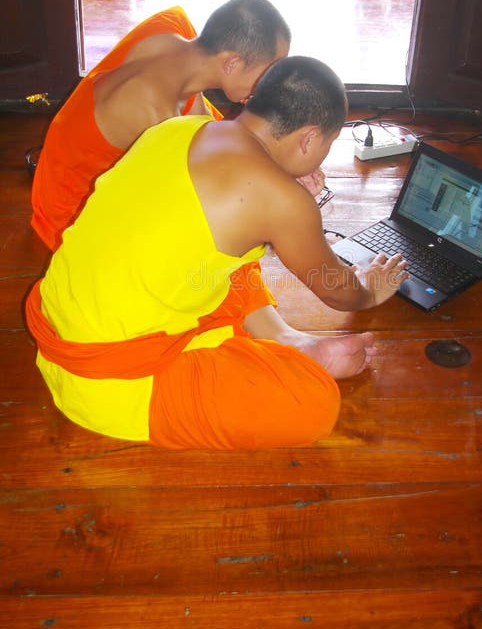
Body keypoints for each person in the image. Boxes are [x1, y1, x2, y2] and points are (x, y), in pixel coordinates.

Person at [25, 56, 408, 451]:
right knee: (315, 404)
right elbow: (337, 291)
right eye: (326, 145)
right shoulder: (281, 200)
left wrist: (286, 196)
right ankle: (277, 350)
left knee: (227, 265)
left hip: (64, 312)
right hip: (108, 379)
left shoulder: (179, 127)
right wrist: (370, 290)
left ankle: (286, 337)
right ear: (309, 139)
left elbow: (219, 218)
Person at [31, 0, 291, 252]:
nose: (268, 86)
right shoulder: (153, 114)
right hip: (72, 209)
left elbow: (206, 128)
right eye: (267, 74)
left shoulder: (175, 29)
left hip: (114, 153)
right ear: (232, 63)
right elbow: (199, 198)